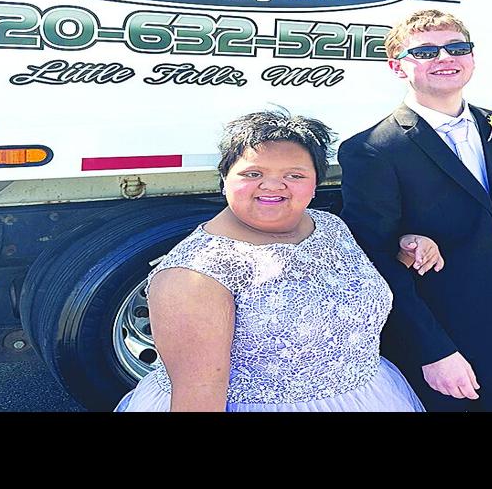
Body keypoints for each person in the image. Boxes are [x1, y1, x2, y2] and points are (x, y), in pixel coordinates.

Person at [115, 109, 444, 412]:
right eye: (253, 172)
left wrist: (405, 253)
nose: (272, 185)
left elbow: (343, 292)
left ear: (316, 183)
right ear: (224, 179)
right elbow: (197, 399)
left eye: (295, 175)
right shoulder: (194, 275)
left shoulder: (327, 225)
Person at [338, 9, 492, 412]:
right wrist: (433, 350)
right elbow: (375, 260)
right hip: (442, 339)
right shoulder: (372, 149)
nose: (444, 58)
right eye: (425, 52)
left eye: (457, 48)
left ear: (471, 58)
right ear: (397, 66)